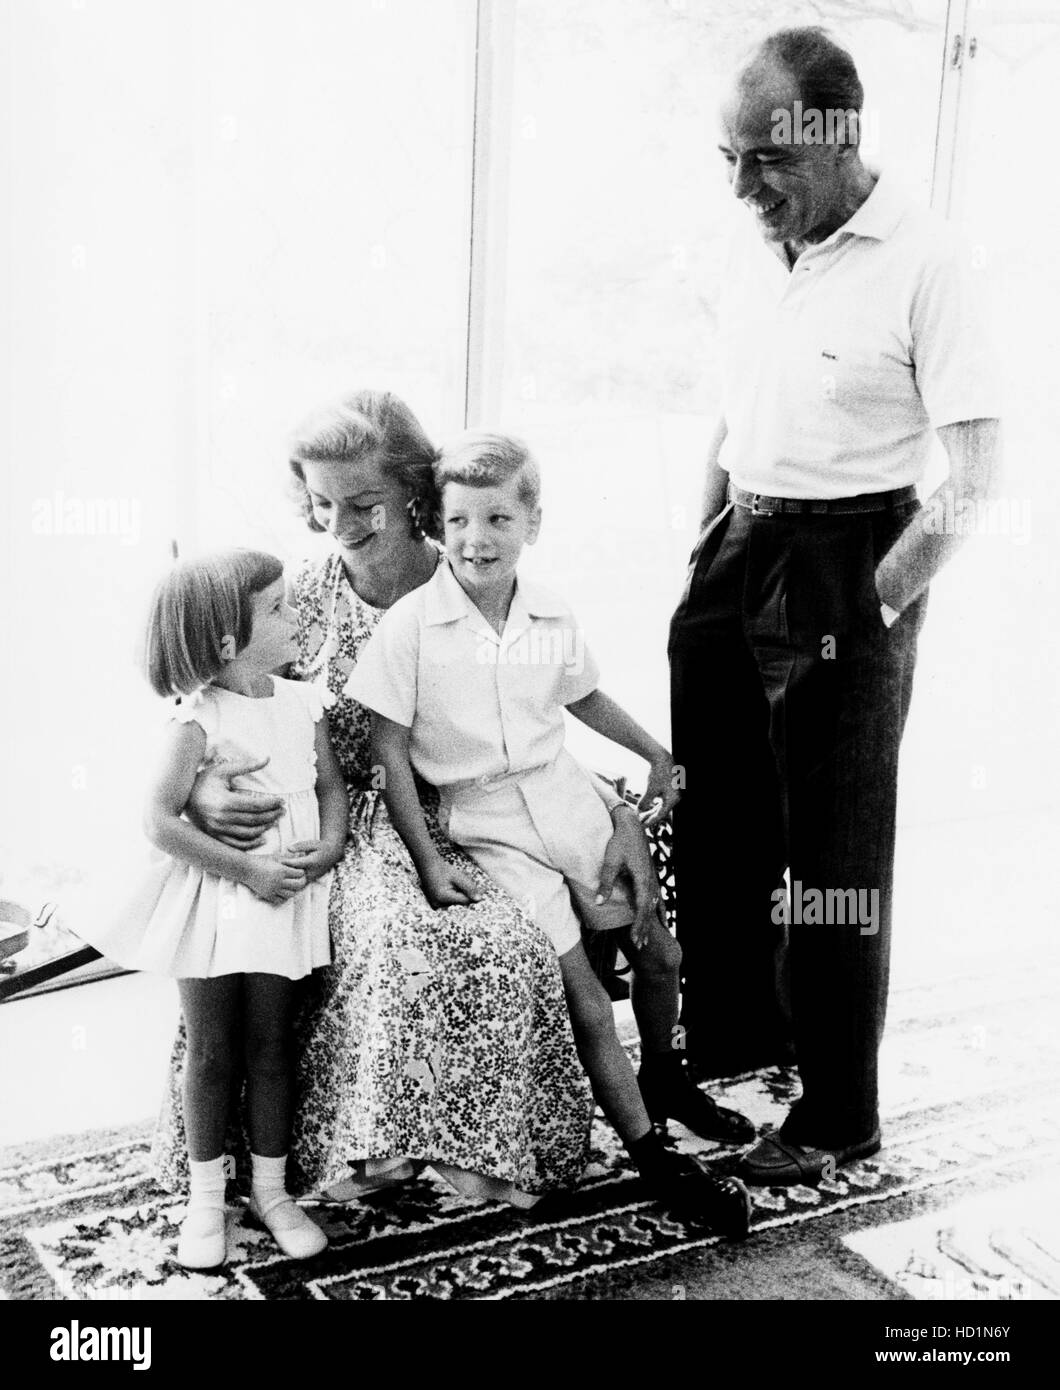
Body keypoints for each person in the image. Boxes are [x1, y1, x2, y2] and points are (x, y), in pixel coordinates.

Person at [153, 391, 655, 1211]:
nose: (338, 524)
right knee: (391, 939)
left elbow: (535, 717)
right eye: (320, 504)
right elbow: (213, 695)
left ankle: (482, 1147)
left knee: (506, 943)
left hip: (466, 811)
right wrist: (206, 782)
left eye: (363, 504)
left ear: (416, 494)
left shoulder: (467, 576)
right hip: (331, 816)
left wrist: (619, 803)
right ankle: (363, 1148)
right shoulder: (299, 596)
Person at [669, 27, 1002, 1184]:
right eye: (729, 157)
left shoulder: (929, 260)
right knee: (722, 813)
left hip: (852, 554)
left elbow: (978, 484)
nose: (744, 187)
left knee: (832, 855)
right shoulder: (747, 242)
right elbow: (731, 405)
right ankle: (747, 1046)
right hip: (739, 539)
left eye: (766, 160)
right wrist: (705, 539)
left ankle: (837, 1113)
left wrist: (869, 610)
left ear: (836, 134)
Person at [349, 431, 752, 1236]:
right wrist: (429, 861)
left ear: (533, 521)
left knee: (662, 953)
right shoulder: (410, 628)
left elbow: (583, 697)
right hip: (488, 825)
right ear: (436, 525)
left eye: (499, 518)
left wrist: (654, 753)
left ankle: (666, 1076)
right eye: (459, 521)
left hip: (567, 799)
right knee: (592, 1005)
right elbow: (388, 751)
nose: (476, 540)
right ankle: (652, 1155)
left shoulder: (550, 610)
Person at [77, 550, 347, 1268]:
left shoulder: (302, 702)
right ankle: (205, 1199)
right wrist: (248, 870)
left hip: (284, 893)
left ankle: (272, 1188)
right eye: (280, 610)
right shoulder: (198, 718)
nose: (298, 618)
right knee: (211, 1049)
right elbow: (160, 821)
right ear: (228, 641)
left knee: (272, 1045)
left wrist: (328, 847)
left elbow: (328, 787)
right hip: (219, 897)